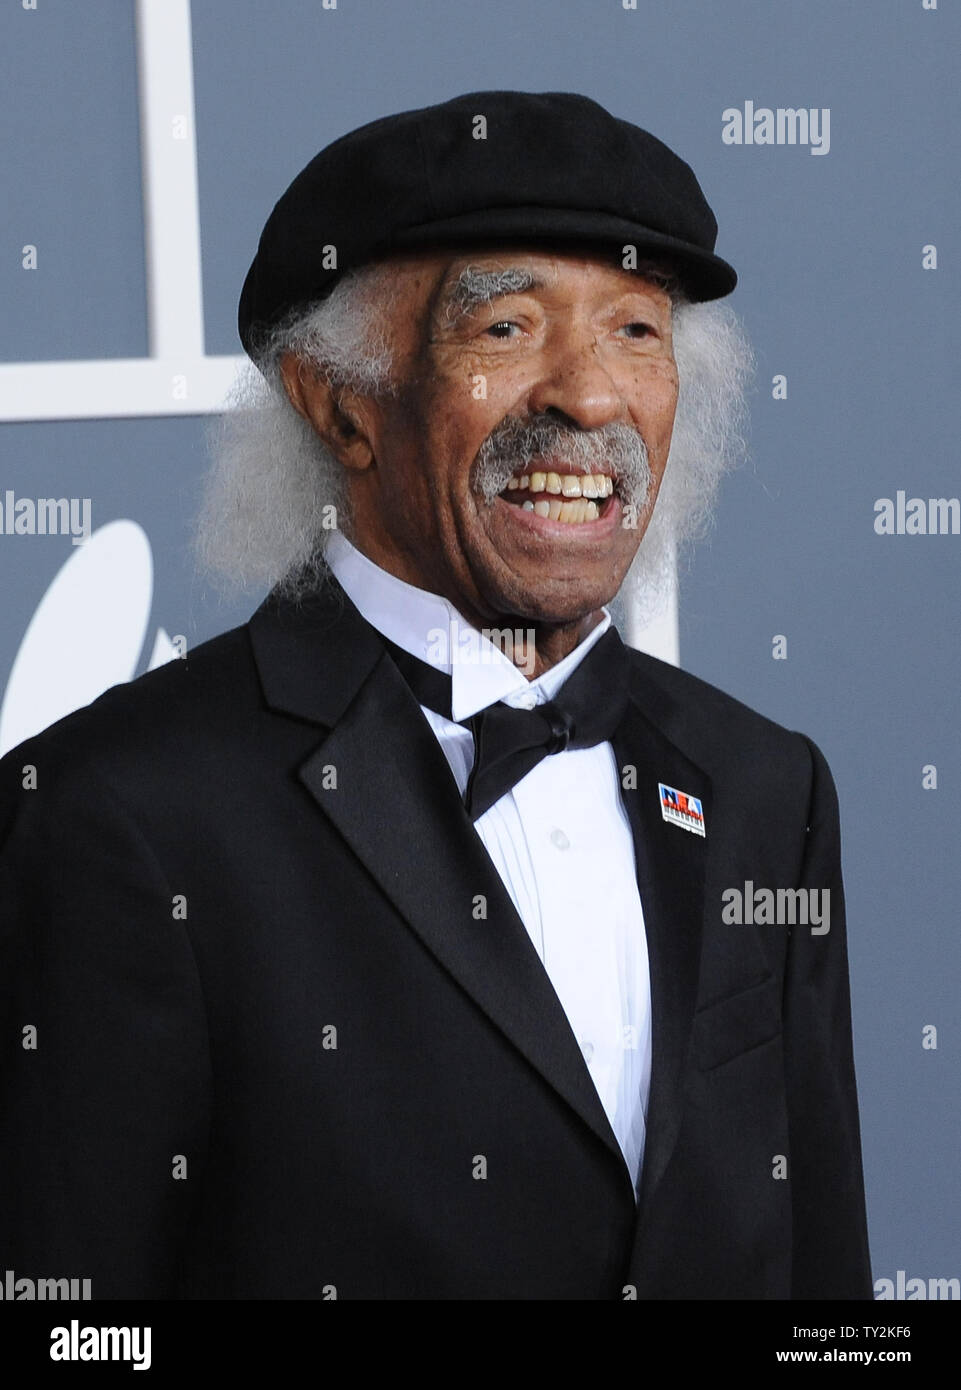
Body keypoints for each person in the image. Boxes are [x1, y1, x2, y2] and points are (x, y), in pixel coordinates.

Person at [0, 90, 872, 1300]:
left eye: (634, 330)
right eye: (508, 327)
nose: (593, 397)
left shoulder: (770, 788)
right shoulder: (119, 813)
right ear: (339, 402)